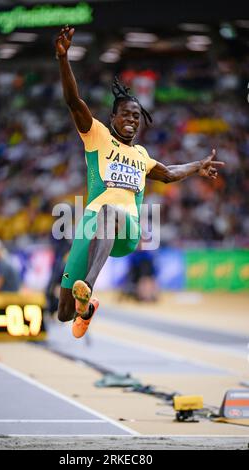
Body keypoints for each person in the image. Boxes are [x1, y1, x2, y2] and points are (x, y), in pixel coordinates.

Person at [55, 26, 224, 339]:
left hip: (126, 227)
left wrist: (197, 166)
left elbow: (169, 173)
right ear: (113, 118)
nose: (132, 120)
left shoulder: (143, 155)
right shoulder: (97, 136)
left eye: (136, 116)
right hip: (92, 227)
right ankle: (84, 307)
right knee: (64, 313)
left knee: (110, 213)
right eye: (126, 115)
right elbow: (73, 100)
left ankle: (88, 288)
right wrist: (63, 59)